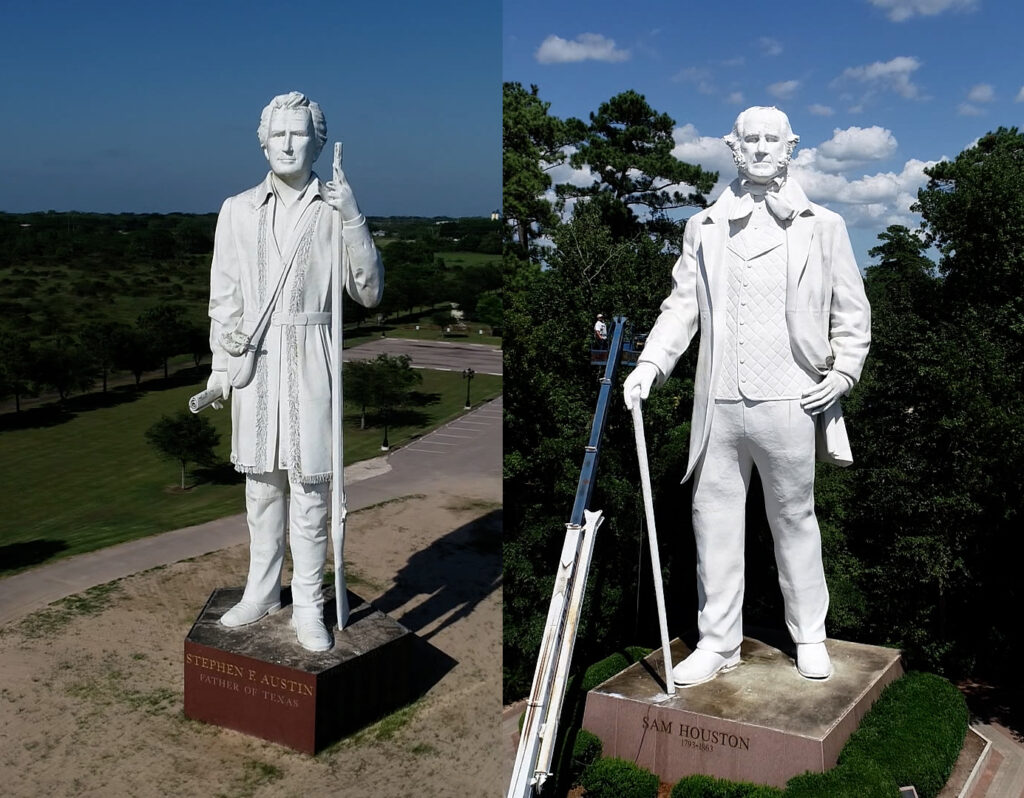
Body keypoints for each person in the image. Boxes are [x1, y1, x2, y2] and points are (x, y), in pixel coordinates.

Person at [623, 106, 870, 685]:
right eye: (750, 139)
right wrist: (651, 363)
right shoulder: (703, 226)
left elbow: (852, 311)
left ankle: (810, 634)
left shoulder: (822, 224)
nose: (760, 148)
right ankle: (717, 641)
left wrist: (846, 372)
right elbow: (681, 307)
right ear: (733, 146)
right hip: (719, 404)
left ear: (791, 146)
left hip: (792, 398)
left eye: (771, 139)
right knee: (712, 521)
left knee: (794, 518)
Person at [206, 92, 384, 652]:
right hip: (255, 366)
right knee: (261, 487)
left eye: (298, 134)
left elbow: (370, 292)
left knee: (310, 491)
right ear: (262, 140)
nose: (286, 144)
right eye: (277, 134)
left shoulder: (335, 211)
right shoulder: (236, 209)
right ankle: (262, 590)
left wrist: (353, 214)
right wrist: (219, 368)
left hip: (311, 359)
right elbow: (225, 302)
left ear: (317, 141)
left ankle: (308, 600)